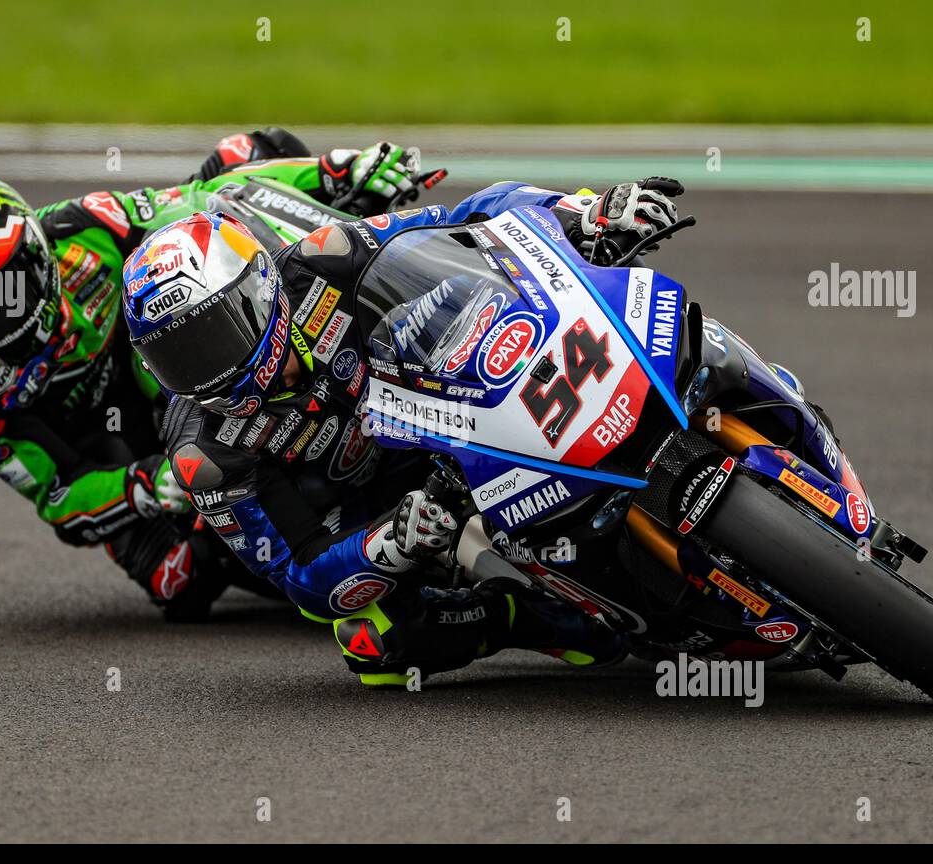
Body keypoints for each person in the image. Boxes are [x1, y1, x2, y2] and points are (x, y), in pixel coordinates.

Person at [120, 177, 686, 680]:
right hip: (392, 508)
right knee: (373, 640)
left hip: (462, 402)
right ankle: (518, 617)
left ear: (257, 292)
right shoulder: (206, 455)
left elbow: (474, 216)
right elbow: (300, 575)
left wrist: (584, 212)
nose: (203, 365)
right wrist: (392, 541)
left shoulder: (328, 255)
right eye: (178, 353)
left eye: (210, 334)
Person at [0, 129, 422, 622]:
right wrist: (146, 485)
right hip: (111, 453)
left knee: (248, 151)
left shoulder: (86, 226)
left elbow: (207, 196)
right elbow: (57, 495)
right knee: (178, 582)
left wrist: (328, 174)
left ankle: (365, 275)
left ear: (33, 247)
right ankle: (312, 540)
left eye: (3, 284)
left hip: (172, 364)